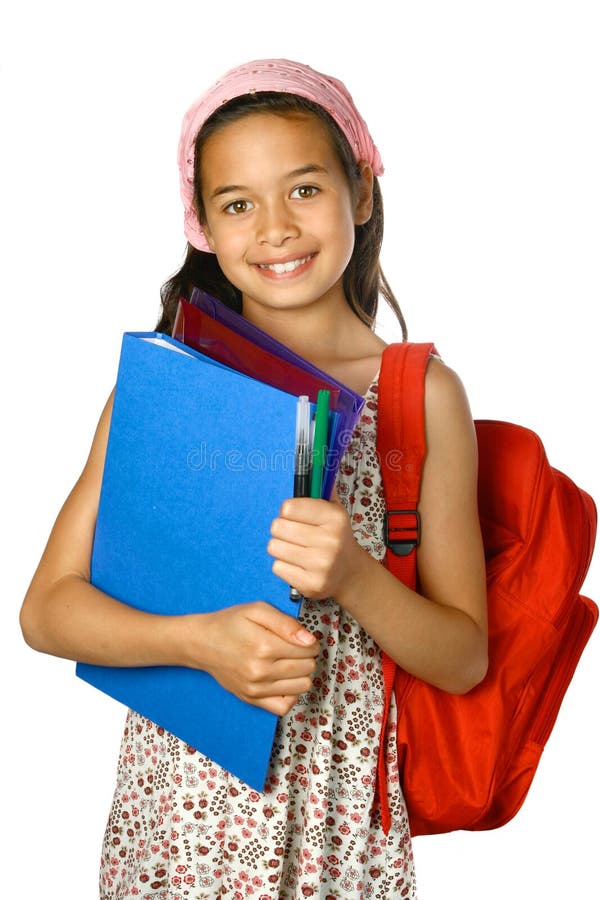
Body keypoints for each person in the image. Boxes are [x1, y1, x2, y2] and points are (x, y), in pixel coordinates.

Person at [20, 58, 488, 899]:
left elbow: (462, 658)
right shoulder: (168, 384)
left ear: (363, 193)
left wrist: (354, 577)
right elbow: (48, 610)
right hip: (178, 828)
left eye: (304, 189)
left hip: (342, 838)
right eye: (238, 204)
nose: (275, 227)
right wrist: (194, 642)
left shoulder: (421, 395)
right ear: (203, 225)